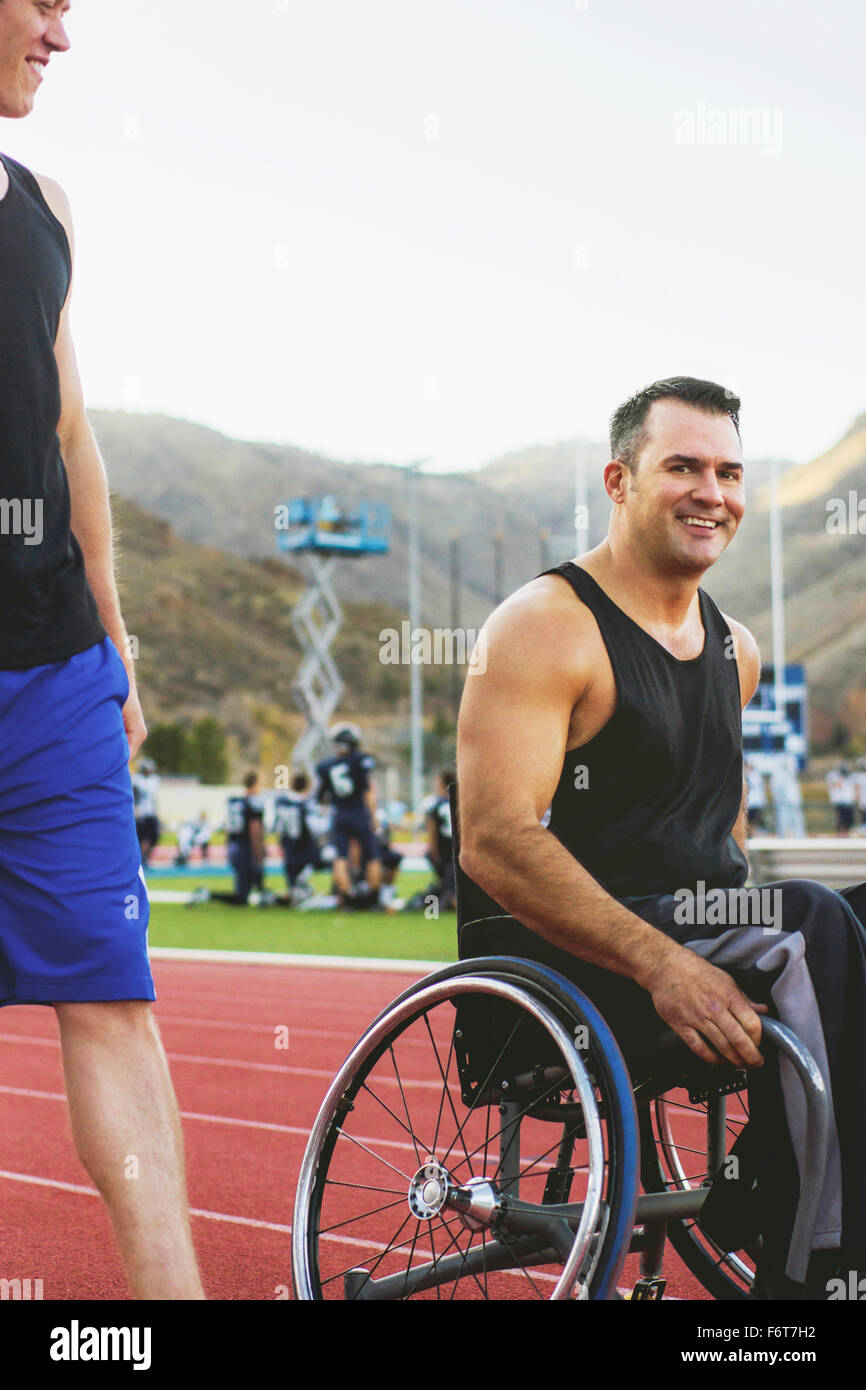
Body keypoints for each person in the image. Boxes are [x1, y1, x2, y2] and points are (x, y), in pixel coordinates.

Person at [457, 376, 866, 1299]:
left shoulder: (738, 650)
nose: (710, 492)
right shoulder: (544, 628)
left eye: (728, 472)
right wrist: (663, 965)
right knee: (804, 923)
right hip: (579, 965)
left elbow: (720, 822)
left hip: (706, 928)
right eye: (682, 465)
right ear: (620, 479)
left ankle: (757, 1184)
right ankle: (812, 1280)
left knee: (838, 919)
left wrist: (729, 926)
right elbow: (494, 841)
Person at [0, 0, 202, 1298]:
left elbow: (75, 437)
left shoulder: (44, 203)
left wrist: (116, 646)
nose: (63, 37)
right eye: (45, 2)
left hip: (57, 670)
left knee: (114, 1002)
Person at [316, 723, 381, 908]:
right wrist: (374, 816)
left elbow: (322, 798)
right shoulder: (360, 760)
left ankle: (345, 897)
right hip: (359, 812)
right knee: (372, 856)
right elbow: (367, 791)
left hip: (339, 814)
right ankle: (374, 897)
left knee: (340, 857)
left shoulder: (326, 766)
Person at [132, 755, 161, 866]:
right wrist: (135, 810)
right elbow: (135, 796)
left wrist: (157, 811)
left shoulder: (155, 780)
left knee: (154, 836)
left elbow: (155, 798)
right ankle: (139, 859)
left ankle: (146, 857)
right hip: (141, 813)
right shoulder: (137, 780)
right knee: (140, 837)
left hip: (151, 812)